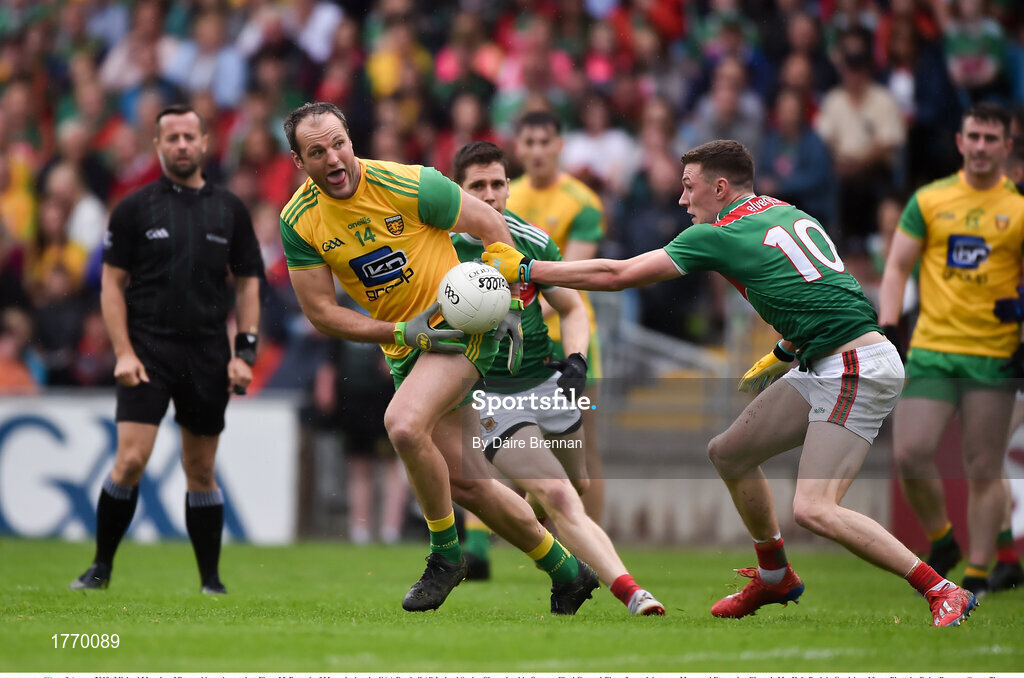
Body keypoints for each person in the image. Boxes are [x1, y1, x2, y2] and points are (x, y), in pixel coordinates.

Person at [483, 139, 979, 627]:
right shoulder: (784, 211)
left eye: (688, 187)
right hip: (826, 358)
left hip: (852, 365)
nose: (682, 200)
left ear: (720, 188)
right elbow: (820, 290)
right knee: (729, 453)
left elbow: (618, 273)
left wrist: (528, 269)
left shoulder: (718, 233)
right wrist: (784, 350)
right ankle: (775, 575)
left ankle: (941, 589)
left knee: (815, 508)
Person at [279, 102, 598, 614]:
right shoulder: (299, 220)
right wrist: (401, 332)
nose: (333, 158)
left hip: (463, 328)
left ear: (351, 139)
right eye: (317, 152)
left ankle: (446, 555)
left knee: (403, 425)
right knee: (469, 485)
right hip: (410, 346)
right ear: (299, 161)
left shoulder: (409, 184)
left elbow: (491, 223)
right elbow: (321, 313)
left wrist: (509, 301)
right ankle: (568, 572)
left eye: (339, 143)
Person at [451, 141, 665, 616]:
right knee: (561, 496)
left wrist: (577, 360)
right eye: (477, 186)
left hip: (547, 383)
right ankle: (632, 592)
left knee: (578, 484)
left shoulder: (533, 241)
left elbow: (572, 307)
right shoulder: (440, 248)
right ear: (457, 191)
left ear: (509, 187)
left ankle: (528, 521)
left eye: (497, 183)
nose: (490, 194)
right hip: (491, 396)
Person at [70, 104, 265, 594]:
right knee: (130, 461)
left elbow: (248, 285)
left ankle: (211, 583)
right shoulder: (133, 209)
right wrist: (123, 351)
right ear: (157, 145)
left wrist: (244, 353)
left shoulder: (230, 209)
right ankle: (100, 568)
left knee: (200, 468)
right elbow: (111, 285)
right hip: (147, 350)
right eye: (171, 137)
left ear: (205, 143)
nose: (181, 145)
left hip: (207, 353)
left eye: (188, 137)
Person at [880, 103, 1024, 598]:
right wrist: (889, 326)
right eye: (974, 137)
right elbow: (897, 267)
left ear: (1007, 146)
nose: (981, 146)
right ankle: (943, 538)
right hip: (933, 350)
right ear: (960, 143)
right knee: (911, 453)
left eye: (991, 138)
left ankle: (978, 576)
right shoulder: (930, 200)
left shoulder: (1019, 208)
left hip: (994, 356)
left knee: (983, 468)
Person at [506, 110, 608, 523]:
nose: (537, 151)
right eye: (528, 142)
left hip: (570, 337)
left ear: (559, 146)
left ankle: (589, 542)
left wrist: (514, 315)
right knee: (514, 446)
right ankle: (533, 544)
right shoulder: (504, 196)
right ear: (518, 148)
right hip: (516, 338)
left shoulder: (583, 202)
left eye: (544, 142)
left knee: (580, 448)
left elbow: (572, 279)